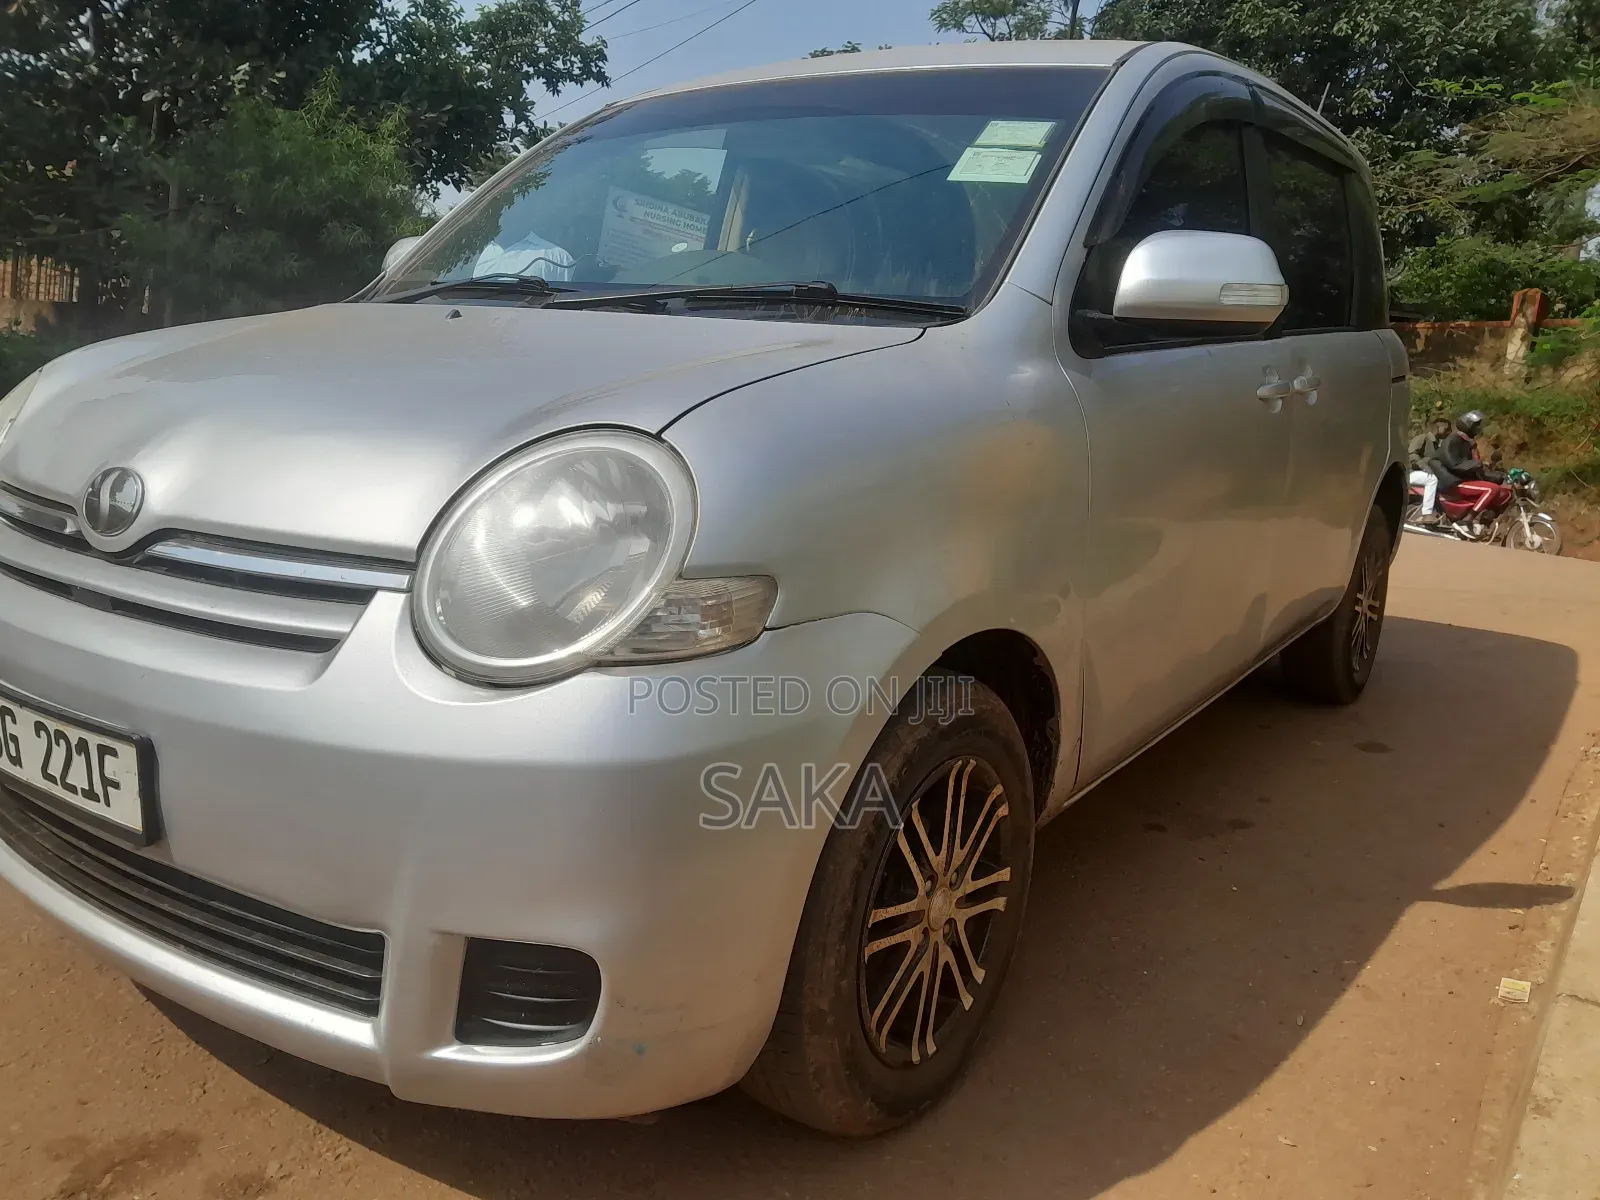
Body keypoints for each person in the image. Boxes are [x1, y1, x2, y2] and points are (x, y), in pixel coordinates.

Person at [1434, 410, 1507, 520]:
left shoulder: (1468, 442)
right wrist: (1477, 464)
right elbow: (1453, 463)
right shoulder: (1453, 439)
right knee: (1492, 489)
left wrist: (1500, 476)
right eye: (1476, 425)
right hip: (1455, 481)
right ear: (1468, 425)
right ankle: (1468, 520)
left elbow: (1477, 470)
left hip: (1465, 479)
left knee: (1502, 489)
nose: (1478, 428)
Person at [1407, 415, 1451, 523]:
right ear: (1438, 427)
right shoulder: (1422, 438)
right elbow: (1411, 454)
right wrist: (1424, 465)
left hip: (1422, 474)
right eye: (1447, 429)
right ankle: (1426, 514)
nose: (1448, 432)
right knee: (1432, 479)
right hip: (1410, 473)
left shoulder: (1437, 444)